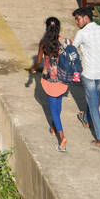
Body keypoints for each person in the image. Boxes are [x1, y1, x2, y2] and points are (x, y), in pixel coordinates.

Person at [72, 5, 100, 147]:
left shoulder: (81, 34)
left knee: (93, 105)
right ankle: (86, 119)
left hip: (88, 74)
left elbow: (72, 51)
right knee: (94, 96)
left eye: (78, 19)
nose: (76, 22)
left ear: (86, 18)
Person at [29, 17, 71, 151]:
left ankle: (62, 137)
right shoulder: (66, 41)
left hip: (50, 79)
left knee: (53, 110)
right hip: (63, 78)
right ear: (59, 27)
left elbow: (39, 60)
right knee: (58, 105)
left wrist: (34, 68)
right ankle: (54, 126)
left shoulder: (44, 43)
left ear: (47, 28)